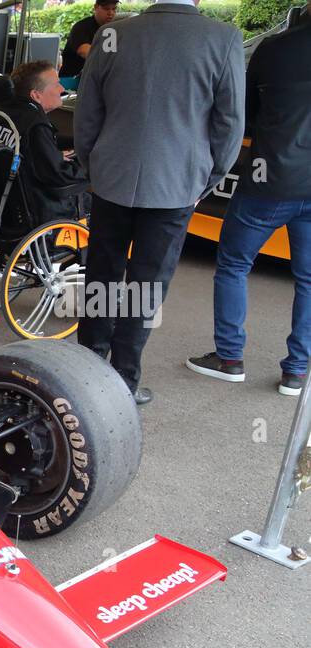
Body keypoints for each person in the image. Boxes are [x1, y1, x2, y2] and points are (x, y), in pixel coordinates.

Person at [73, 0, 244, 406]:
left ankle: (86, 368)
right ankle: (123, 381)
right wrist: (209, 176)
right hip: (178, 181)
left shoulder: (113, 34)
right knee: (147, 284)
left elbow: (87, 109)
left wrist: (92, 161)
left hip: (112, 173)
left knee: (103, 271)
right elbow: (229, 120)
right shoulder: (223, 38)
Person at [188, 7, 311, 397]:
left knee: (234, 264)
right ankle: (296, 371)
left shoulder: (275, 49)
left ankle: (229, 358)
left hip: (271, 178)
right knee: (309, 280)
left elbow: (244, 115)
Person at [0, 61, 90, 226]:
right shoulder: (35, 125)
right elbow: (58, 175)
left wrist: (72, 145)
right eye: (56, 84)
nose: (62, 89)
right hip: (38, 211)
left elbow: (29, 147)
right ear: (36, 95)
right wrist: (89, 167)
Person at [59, 0, 117, 79]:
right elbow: (84, 51)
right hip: (71, 81)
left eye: (114, 9)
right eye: (106, 9)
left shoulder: (113, 29)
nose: (110, 13)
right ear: (96, 7)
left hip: (96, 79)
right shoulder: (81, 27)